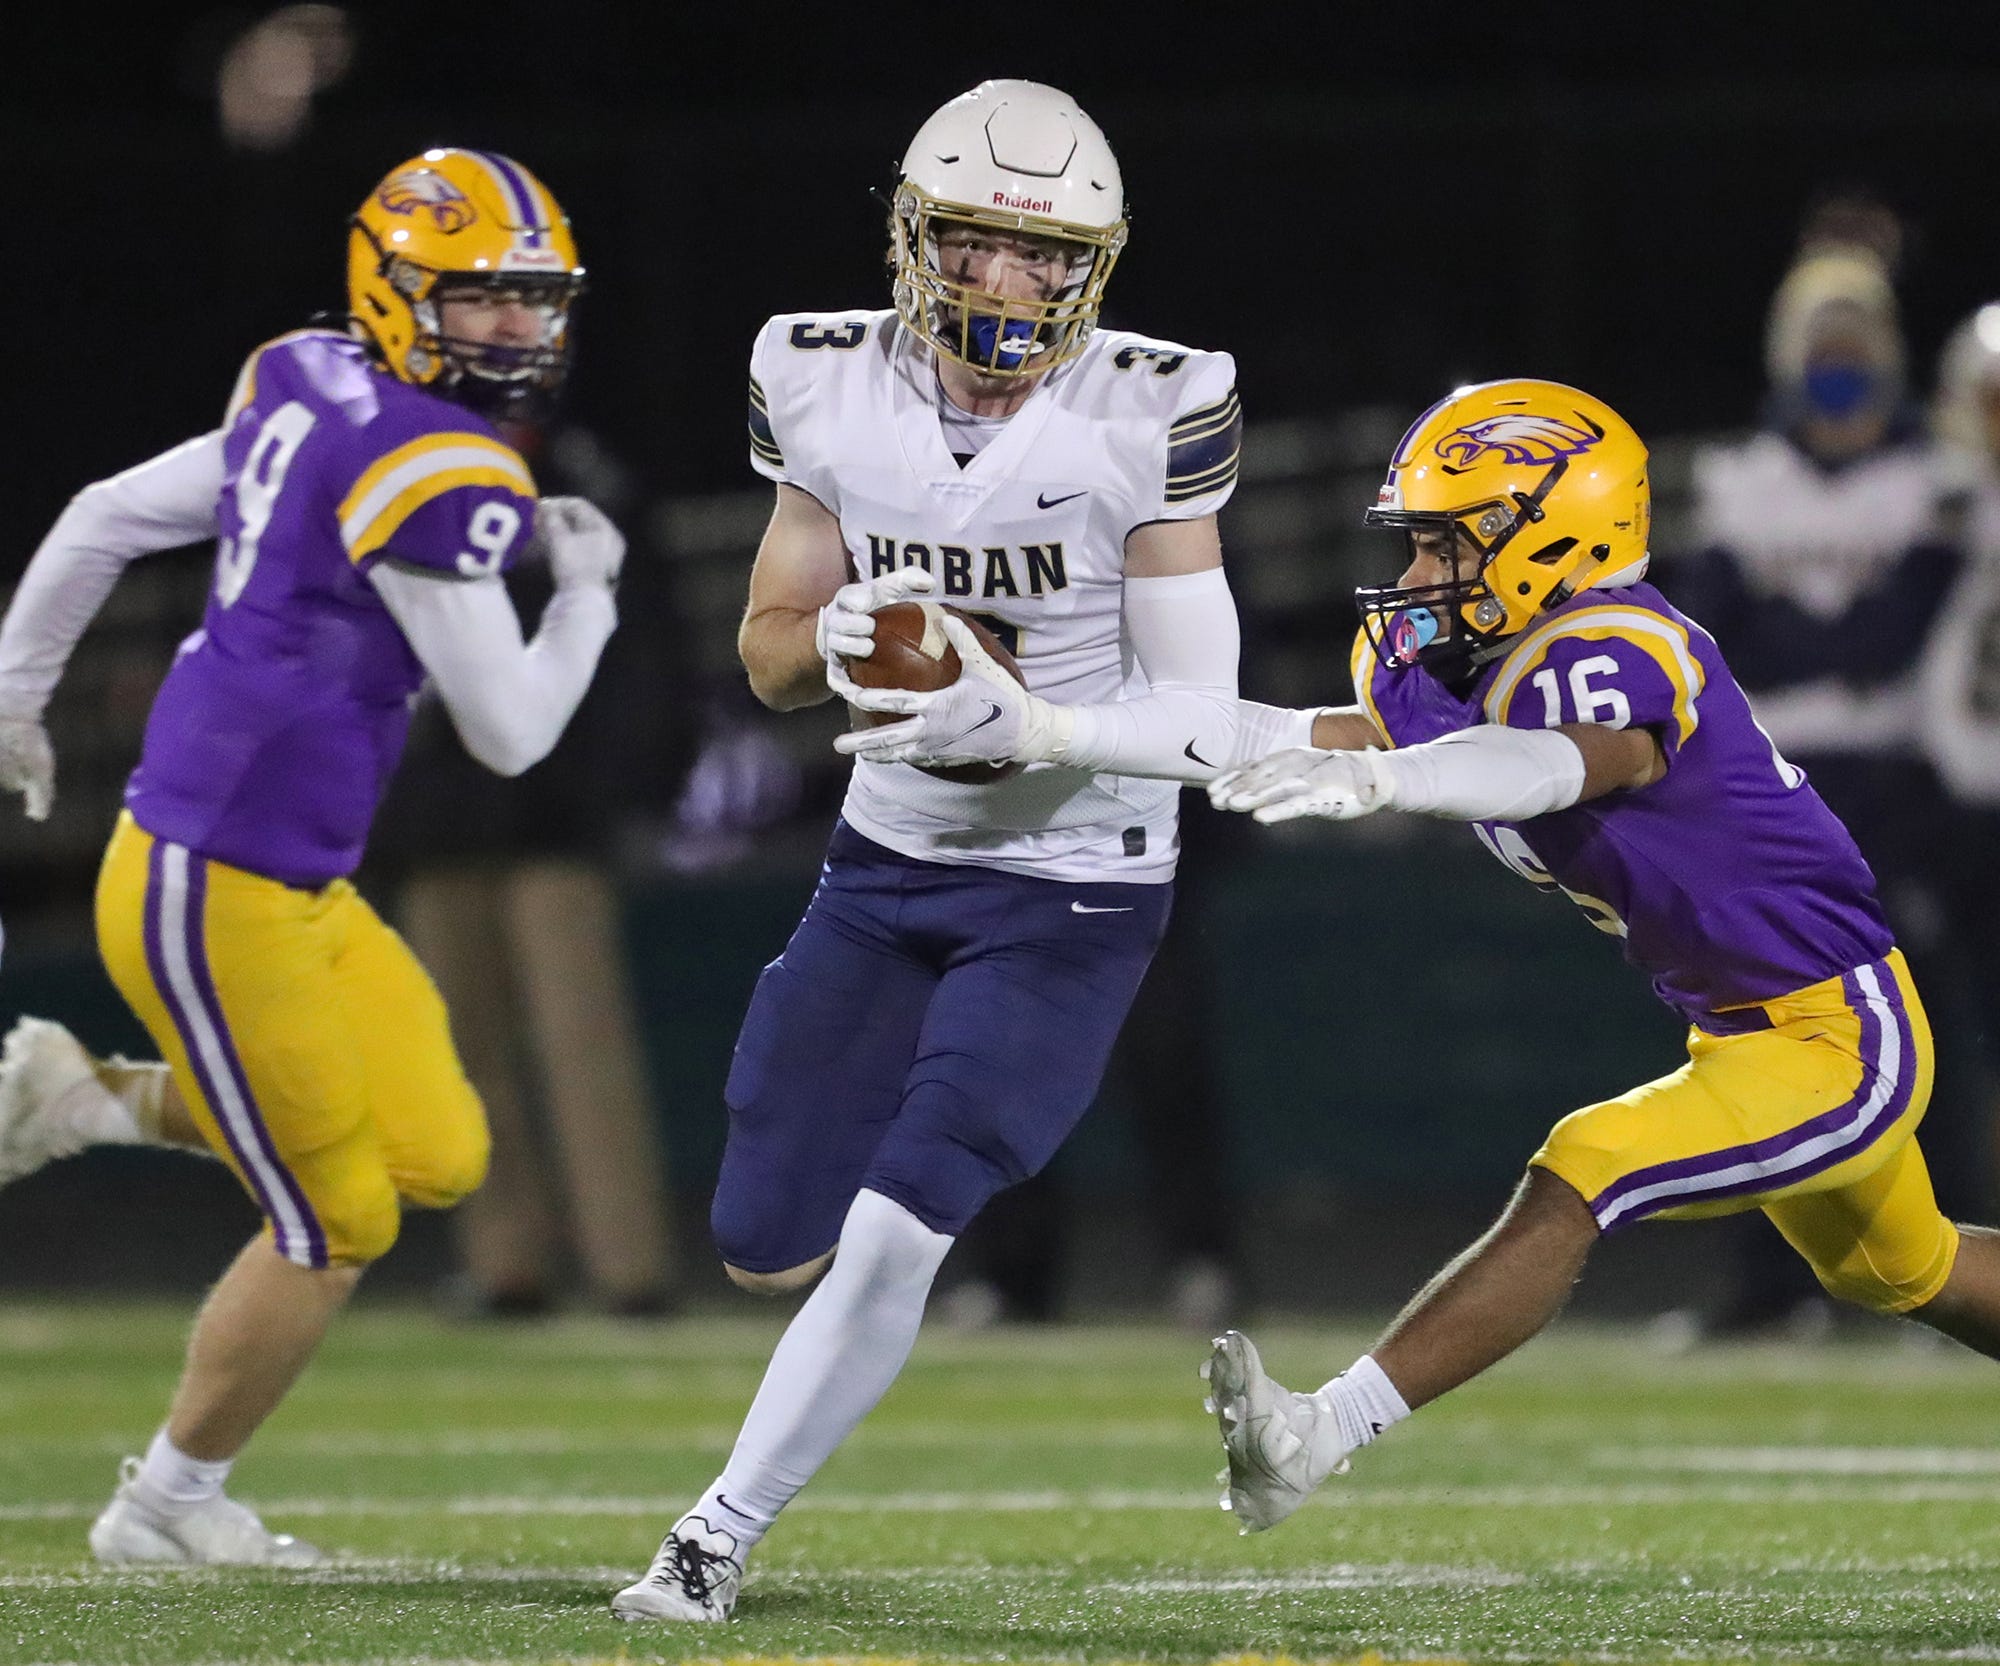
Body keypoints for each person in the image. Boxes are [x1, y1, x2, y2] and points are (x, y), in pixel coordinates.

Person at [611, 79, 1246, 1623]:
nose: (1007, 285)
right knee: (765, 1235)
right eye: (973, 246)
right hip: (886, 863)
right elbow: (763, 652)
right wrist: (833, 640)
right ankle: (787, 1332)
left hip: (1077, 883)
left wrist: (1026, 724)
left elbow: (1206, 721)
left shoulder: (1150, 404)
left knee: (909, 1214)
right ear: (916, 240)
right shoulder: (821, 377)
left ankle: (713, 1533)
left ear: (1091, 267)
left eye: (1044, 259)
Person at [1196, 378, 2000, 1534]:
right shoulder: (1443, 667)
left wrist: (1388, 778)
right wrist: (1041, 728)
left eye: (1446, 543)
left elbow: (1562, 764)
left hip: (1836, 1034)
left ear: (1551, 533)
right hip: (1740, 1028)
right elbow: (1263, 732)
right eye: (1417, 544)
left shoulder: (1612, 646)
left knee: (1586, 1164)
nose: (1419, 577)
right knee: (1900, 1269)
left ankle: (1315, 1434)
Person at [0, 148, 622, 1564]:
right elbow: (514, 729)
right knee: (334, 1214)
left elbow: (102, 515)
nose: (518, 330)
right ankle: (164, 1503)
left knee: (440, 1155)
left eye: (535, 300)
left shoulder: (313, 379)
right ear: (394, 291)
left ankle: (89, 1098)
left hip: (300, 886)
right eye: (482, 302)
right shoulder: (429, 465)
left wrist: (13, 694)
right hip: (201, 880)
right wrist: (586, 595)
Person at [1666, 237, 1975, 1335]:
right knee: (1761, 1030)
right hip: (1770, 788)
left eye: (1854, 339)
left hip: (1894, 787)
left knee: (1911, 1030)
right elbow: (1710, 635)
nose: (1836, 359)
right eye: (1818, 341)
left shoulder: (1932, 477)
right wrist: (1827, 638)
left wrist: (1795, 627)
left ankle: (1935, 1275)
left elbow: (1897, 639)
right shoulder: (1739, 476)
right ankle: (1766, 1284)